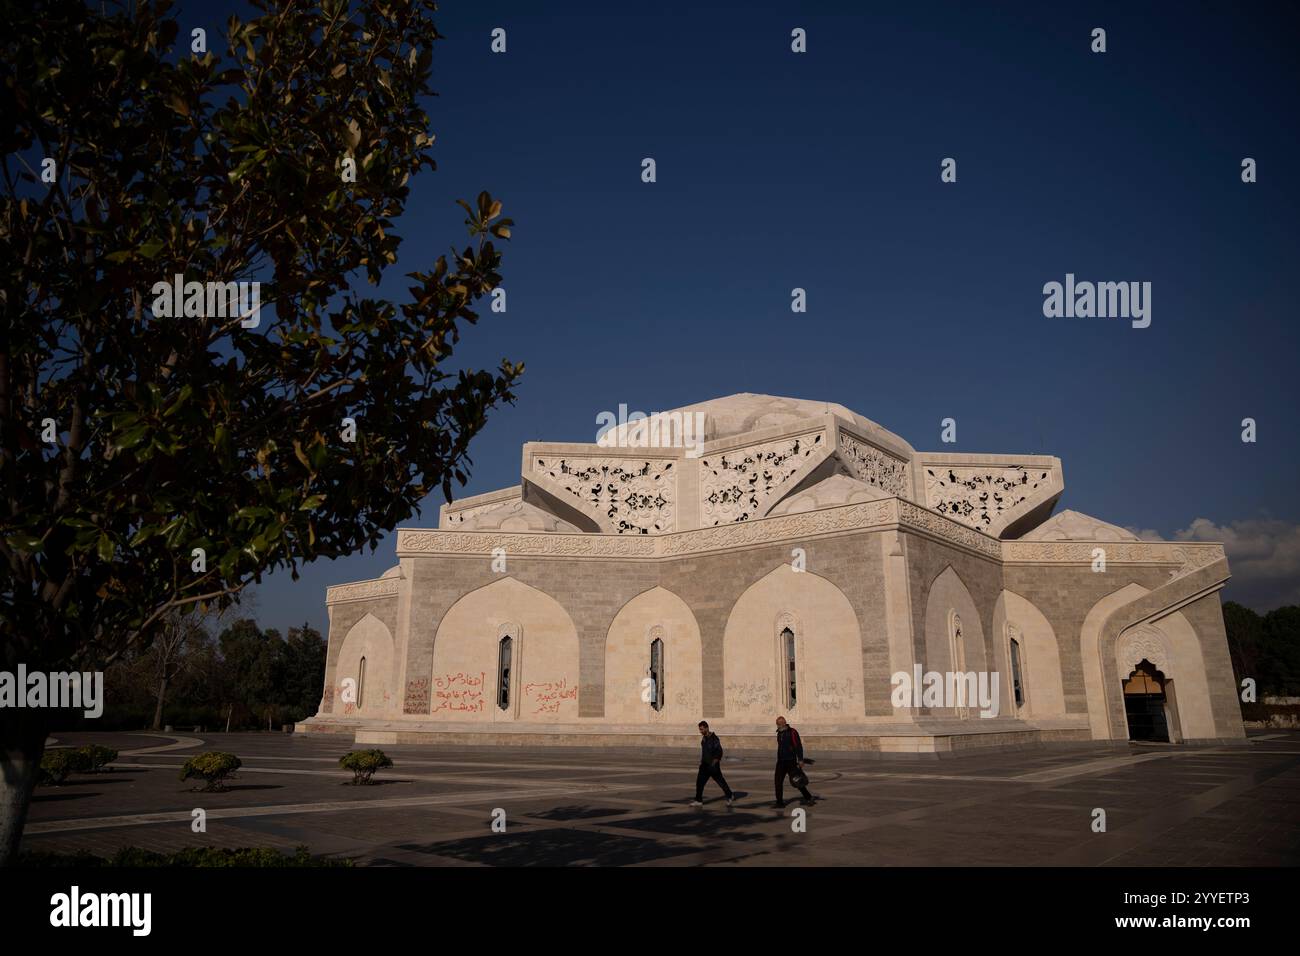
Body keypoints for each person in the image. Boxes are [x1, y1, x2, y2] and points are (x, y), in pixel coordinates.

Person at [773, 715, 814, 807]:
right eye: (777, 724)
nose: (778, 726)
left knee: (797, 780)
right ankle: (779, 802)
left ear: (783, 723)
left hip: (791, 761)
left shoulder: (792, 732)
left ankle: (809, 798)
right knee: (778, 782)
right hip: (781, 761)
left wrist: (800, 759)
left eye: (779, 724)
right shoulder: (779, 733)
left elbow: (798, 746)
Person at [691, 720, 735, 806]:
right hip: (704, 765)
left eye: (702, 729)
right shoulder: (704, 739)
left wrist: (714, 762)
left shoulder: (714, 739)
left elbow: (719, 751)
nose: (701, 731)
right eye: (700, 729)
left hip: (713, 766)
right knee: (699, 783)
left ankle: (730, 795)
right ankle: (698, 800)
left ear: (707, 728)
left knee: (721, 782)